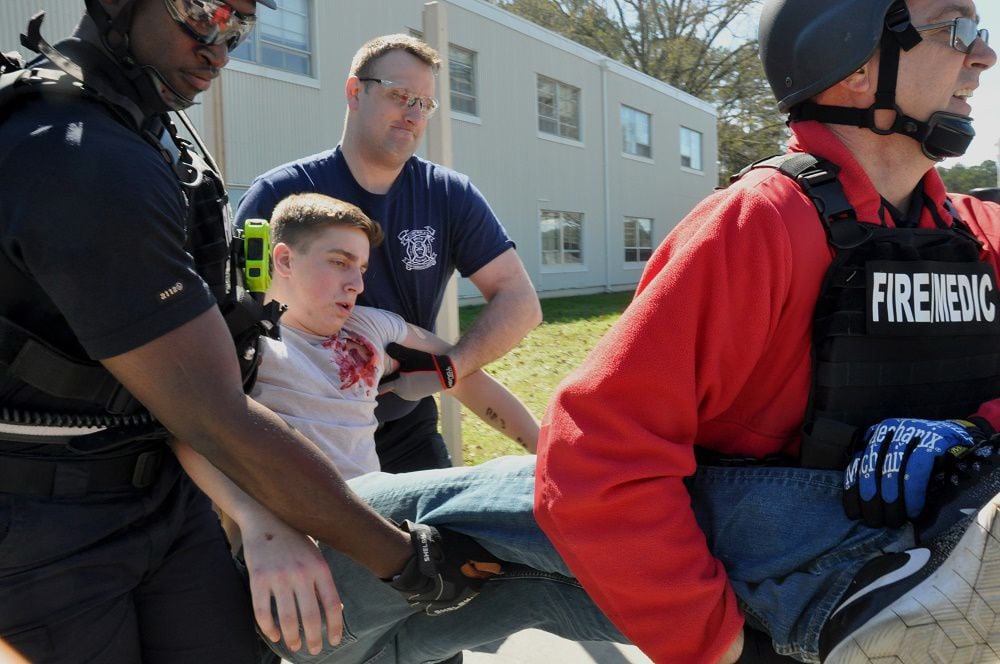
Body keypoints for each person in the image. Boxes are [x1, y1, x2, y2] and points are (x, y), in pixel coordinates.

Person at [0, 3, 508, 662]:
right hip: (46, 522)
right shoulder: (74, 149)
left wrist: (261, 518)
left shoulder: (156, 133)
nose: (220, 46)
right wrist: (408, 561)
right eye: (199, 12)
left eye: (239, 26)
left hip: (167, 492)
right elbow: (215, 411)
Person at [533, 0, 1000, 662]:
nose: (983, 56)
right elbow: (598, 450)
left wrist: (979, 427)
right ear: (859, 67)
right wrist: (715, 645)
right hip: (799, 623)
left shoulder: (975, 234)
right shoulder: (761, 224)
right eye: (958, 31)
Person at [174, 193, 626, 664]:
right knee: (499, 495)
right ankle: (651, 514)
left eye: (362, 269)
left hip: (386, 603)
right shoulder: (245, 339)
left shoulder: (374, 328)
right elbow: (188, 430)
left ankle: (703, 619)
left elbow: (464, 378)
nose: (355, 284)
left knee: (555, 594)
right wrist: (258, 526)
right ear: (284, 259)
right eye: (339, 262)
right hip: (310, 585)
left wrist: (545, 450)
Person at [235, 33, 542, 473]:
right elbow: (234, 317)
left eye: (425, 103)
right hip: (297, 433)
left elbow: (520, 301)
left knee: (439, 541)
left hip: (406, 428)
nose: (414, 113)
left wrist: (447, 369)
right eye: (400, 95)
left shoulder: (448, 195)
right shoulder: (281, 196)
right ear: (355, 91)